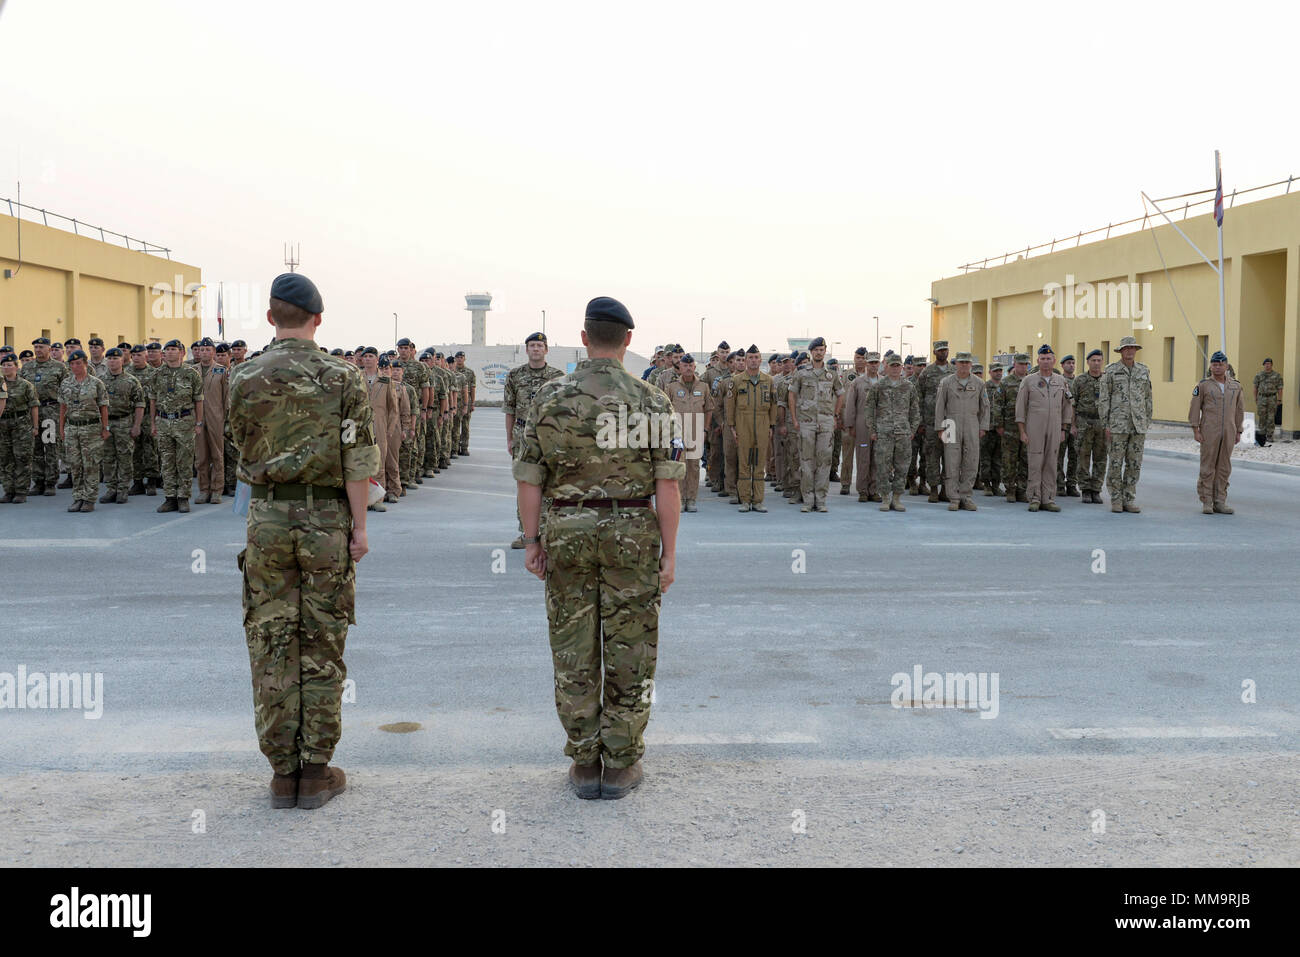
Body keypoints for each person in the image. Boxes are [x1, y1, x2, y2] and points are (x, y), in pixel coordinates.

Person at [514, 296, 683, 800]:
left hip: (567, 528)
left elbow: (528, 479)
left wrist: (531, 541)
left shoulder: (548, 397)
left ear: (584, 338)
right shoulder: (652, 400)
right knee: (631, 646)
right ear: (628, 341)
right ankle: (622, 761)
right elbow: (668, 486)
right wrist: (669, 555)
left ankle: (585, 761)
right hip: (631, 529)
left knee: (573, 646)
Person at [228, 273, 378, 810]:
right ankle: (315, 770)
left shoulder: (243, 375)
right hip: (325, 518)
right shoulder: (343, 378)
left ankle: (280, 771)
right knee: (321, 641)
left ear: (271, 318)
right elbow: (358, 460)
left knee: (270, 639)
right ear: (318, 318)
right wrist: (360, 528)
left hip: (266, 517)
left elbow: (239, 447)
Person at [504, 332, 566, 546]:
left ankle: (548, 532)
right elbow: (509, 409)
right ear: (526, 349)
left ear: (546, 350)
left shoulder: (557, 377)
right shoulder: (515, 376)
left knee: (549, 483)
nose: (536, 349)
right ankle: (527, 534)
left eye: (540, 345)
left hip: (549, 434)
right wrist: (509, 439)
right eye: (532, 345)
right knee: (525, 483)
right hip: (522, 435)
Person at [788, 337, 844, 512]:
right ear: (811, 352)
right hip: (806, 423)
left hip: (826, 423)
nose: (819, 352)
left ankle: (820, 500)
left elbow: (841, 394)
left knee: (824, 462)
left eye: (822, 349)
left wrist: (835, 415)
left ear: (825, 351)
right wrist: (795, 419)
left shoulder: (831, 374)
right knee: (806, 462)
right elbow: (791, 394)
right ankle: (807, 499)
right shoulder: (802, 372)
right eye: (816, 350)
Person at [1098, 336, 1153, 513]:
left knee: (1134, 463)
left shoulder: (1143, 371)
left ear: (1136, 351)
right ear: (1121, 351)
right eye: (1126, 348)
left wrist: (1147, 420)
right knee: (1115, 462)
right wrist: (1105, 424)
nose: (1129, 351)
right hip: (1117, 425)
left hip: (1138, 425)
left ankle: (1129, 498)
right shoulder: (1111, 371)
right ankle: (1116, 498)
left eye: (1132, 348)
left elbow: (1147, 397)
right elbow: (1104, 399)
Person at [1015, 345, 1073, 512]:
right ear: (1038, 361)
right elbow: (1020, 407)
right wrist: (1022, 431)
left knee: (1051, 462)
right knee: (1035, 462)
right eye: (1043, 358)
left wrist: (1063, 429)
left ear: (1054, 361)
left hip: (1055, 427)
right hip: (1035, 427)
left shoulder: (1061, 381)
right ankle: (1034, 497)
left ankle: (1048, 499)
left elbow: (1066, 406)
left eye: (1049, 359)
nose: (1046, 361)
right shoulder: (1028, 381)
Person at [149, 339, 204, 513]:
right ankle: (170, 498)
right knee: (166, 461)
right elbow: (152, 400)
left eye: (174, 349)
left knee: (185, 461)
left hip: (185, 421)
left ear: (181, 352)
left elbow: (199, 400)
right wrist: (153, 422)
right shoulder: (157, 374)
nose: (170, 352)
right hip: (163, 421)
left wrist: (198, 423)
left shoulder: (191, 373)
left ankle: (183, 497)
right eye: (168, 349)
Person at [1190, 351, 1244, 514]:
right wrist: (1195, 429)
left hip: (1228, 430)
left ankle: (1220, 500)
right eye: (1214, 364)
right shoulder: (1203, 385)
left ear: (1226, 366)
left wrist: (1238, 431)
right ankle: (1207, 501)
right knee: (1208, 466)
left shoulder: (1235, 386)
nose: (1217, 367)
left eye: (1220, 364)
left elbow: (1239, 409)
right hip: (1209, 430)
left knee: (1224, 467)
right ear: (1211, 366)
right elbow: (1194, 408)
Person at [864, 354, 919, 512]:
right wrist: (872, 430)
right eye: (892, 366)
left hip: (903, 433)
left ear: (902, 367)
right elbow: (869, 409)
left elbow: (915, 411)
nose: (895, 369)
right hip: (884, 433)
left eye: (897, 366)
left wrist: (912, 430)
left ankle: (897, 498)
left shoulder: (908, 387)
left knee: (902, 466)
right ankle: (886, 497)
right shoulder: (878, 386)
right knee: (883, 466)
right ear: (886, 367)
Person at [57, 349, 110, 512]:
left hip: (91, 428)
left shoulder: (96, 383)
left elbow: (104, 407)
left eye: (78, 363)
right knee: (75, 464)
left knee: (91, 465)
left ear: (86, 364)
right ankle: (78, 497)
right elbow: (62, 407)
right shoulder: (66, 383)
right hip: (72, 428)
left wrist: (105, 428)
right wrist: (61, 428)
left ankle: (89, 499)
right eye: (72, 364)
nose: (75, 366)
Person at [727, 345, 778, 512]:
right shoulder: (736, 380)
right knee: (744, 463)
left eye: (756, 357)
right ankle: (745, 500)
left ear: (760, 360)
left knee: (759, 463)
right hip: (743, 423)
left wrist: (771, 425)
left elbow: (773, 404)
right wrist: (732, 427)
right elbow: (730, 405)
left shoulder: (768, 380)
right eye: (750, 357)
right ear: (745, 360)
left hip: (762, 424)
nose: (753, 360)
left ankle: (758, 500)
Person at [935, 351, 988, 511]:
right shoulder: (946, 382)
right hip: (950, 423)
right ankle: (954, 498)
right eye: (961, 362)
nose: (964, 365)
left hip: (972, 423)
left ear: (971, 364)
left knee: (971, 460)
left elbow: (985, 407)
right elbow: (939, 406)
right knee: (951, 461)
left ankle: (966, 496)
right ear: (956, 364)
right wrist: (940, 427)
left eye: (967, 362)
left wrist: (983, 426)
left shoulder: (979, 383)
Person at [97, 348, 146, 505]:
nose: (112, 361)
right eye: (110, 358)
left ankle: (123, 489)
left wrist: (137, 425)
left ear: (122, 360)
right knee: (108, 457)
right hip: (106, 423)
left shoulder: (131, 381)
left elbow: (140, 404)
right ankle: (111, 488)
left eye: (115, 358)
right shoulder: (100, 380)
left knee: (124, 457)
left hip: (124, 422)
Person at [19, 336, 67, 496]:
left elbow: (66, 390)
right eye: (36, 347)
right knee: (36, 448)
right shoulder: (27, 368)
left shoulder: (59, 368)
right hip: (32, 412)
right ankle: (38, 481)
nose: (38, 350)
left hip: (50, 411)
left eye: (41, 347)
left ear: (49, 349)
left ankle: (50, 482)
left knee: (50, 446)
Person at [667, 353, 711, 512]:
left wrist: (705, 429)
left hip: (696, 432)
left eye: (691, 365)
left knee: (693, 467)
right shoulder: (672, 387)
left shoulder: (703, 387)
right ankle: (679, 499)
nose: (688, 368)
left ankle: (691, 499)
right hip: (677, 434)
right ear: (680, 367)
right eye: (685, 365)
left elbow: (709, 410)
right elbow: (666, 410)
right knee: (679, 466)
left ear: (694, 367)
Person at [917, 341, 955, 502]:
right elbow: (919, 398)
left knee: (950, 457)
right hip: (931, 421)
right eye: (940, 350)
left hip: (950, 422)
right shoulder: (926, 373)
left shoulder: (954, 372)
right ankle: (933, 489)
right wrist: (920, 422)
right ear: (934, 352)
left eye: (945, 350)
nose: (943, 353)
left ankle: (946, 489)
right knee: (932, 456)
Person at [843, 349, 882, 503]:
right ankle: (863, 491)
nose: (873, 365)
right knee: (863, 458)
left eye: (876, 363)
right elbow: (850, 405)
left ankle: (874, 490)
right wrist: (850, 425)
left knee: (877, 459)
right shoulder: (857, 382)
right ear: (866, 363)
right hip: (862, 425)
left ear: (879, 364)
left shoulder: (883, 382)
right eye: (871, 362)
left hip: (879, 425)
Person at [194, 337, 230, 505]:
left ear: (214, 352)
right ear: (198, 352)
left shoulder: (221, 371)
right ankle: (204, 490)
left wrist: (224, 418)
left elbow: (226, 398)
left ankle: (216, 490)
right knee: (201, 456)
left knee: (217, 454)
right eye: (202, 349)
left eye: (208, 350)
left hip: (216, 417)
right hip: (197, 419)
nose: (205, 352)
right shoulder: (192, 371)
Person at [0, 353, 39, 503]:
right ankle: (9, 490)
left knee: (22, 458)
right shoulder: (0, 384)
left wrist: (35, 426)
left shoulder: (26, 385)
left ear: (16, 367)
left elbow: (34, 406)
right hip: (3, 425)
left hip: (21, 425)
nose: (6, 367)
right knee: (5, 459)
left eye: (9, 365)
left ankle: (21, 491)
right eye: (4, 365)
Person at [1071, 349, 1108, 504]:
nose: (1096, 363)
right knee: (1083, 457)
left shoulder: (1107, 379)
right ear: (1088, 362)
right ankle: (1085, 489)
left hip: (1102, 422)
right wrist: (1072, 425)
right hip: (1084, 423)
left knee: (1100, 458)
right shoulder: (1079, 380)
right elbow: (1072, 404)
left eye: (1099, 360)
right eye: (1093, 360)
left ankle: (1096, 489)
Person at [996, 353, 1030, 502]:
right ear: (1015, 364)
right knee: (1009, 460)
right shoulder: (1005, 382)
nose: (1023, 367)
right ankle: (1010, 489)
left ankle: (1022, 490)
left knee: (1026, 460)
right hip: (1009, 427)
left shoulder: (1032, 381)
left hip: (1029, 427)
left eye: (1025, 364)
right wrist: (999, 424)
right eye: (1020, 364)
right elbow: (997, 404)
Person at [1055, 354, 1080, 497]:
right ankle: (1059, 484)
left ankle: (1072, 484)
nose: (1071, 365)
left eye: (1073, 363)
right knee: (1059, 455)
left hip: (1075, 424)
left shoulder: (1078, 382)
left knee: (1074, 456)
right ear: (1062, 365)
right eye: (1068, 363)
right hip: (1061, 424)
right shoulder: (1059, 381)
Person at [979, 364, 1003, 496]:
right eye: (995, 371)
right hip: (987, 428)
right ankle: (986, 484)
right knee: (986, 458)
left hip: (999, 428)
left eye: (1000, 370)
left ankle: (996, 485)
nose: (998, 373)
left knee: (998, 458)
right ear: (990, 372)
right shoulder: (984, 386)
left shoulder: (1004, 386)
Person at [1252, 358, 1283, 446]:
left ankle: (1269, 435)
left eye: (1269, 364)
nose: (1267, 365)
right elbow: (1255, 387)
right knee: (1262, 416)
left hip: (1272, 398)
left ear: (1271, 365)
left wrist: (1279, 399)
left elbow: (1280, 388)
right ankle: (1262, 435)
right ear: (1263, 365)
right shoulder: (1259, 375)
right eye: (1265, 364)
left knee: (1271, 417)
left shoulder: (1277, 376)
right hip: (1261, 398)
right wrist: (1255, 398)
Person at [454, 351, 476, 454]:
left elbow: (472, 388)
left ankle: (464, 447)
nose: (459, 359)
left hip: (466, 402)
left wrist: (472, 403)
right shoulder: (452, 371)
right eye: (457, 357)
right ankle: (455, 447)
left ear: (464, 358)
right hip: (456, 403)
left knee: (465, 426)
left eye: (461, 357)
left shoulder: (470, 372)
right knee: (455, 426)